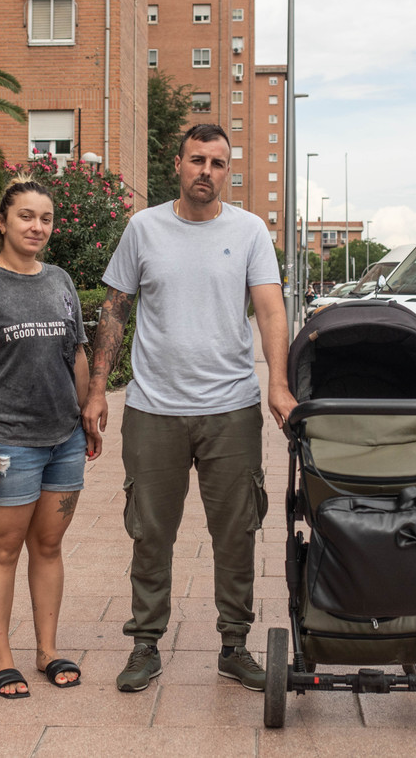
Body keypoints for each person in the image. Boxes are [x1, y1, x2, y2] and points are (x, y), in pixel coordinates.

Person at [82, 123, 298, 693]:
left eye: (219, 163)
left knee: (237, 531)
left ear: (229, 171)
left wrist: (278, 383)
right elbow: (114, 311)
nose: (207, 171)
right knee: (151, 531)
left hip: (231, 408)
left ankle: (234, 644)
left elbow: (272, 313)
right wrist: (99, 388)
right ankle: (145, 644)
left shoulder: (250, 231)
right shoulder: (143, 228)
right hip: (154, 410)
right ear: (177, 164)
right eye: (197, 160)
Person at [0, 178, 101, 699]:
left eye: (46, 219)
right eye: (26, 217)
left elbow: (76, 353)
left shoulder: (60, 280)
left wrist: (85, 415)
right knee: (5, 547)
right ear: (3, 222)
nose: (38, 227)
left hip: (64, 439)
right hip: (7, 441)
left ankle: (48, 649)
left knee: (50, 546)